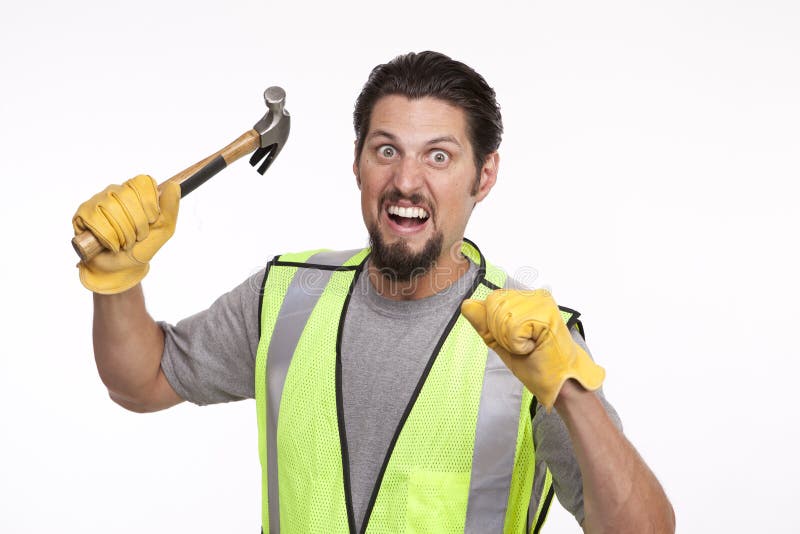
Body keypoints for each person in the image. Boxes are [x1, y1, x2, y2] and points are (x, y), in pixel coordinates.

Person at [73, 51, 675, 533]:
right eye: (386, 150)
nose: (406, 182)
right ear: (357, 162)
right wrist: (117, 279)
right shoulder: (287, 297)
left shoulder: (534, 340)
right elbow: (140, 381)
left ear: (483, 177)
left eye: (439, 156)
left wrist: (569, 389)